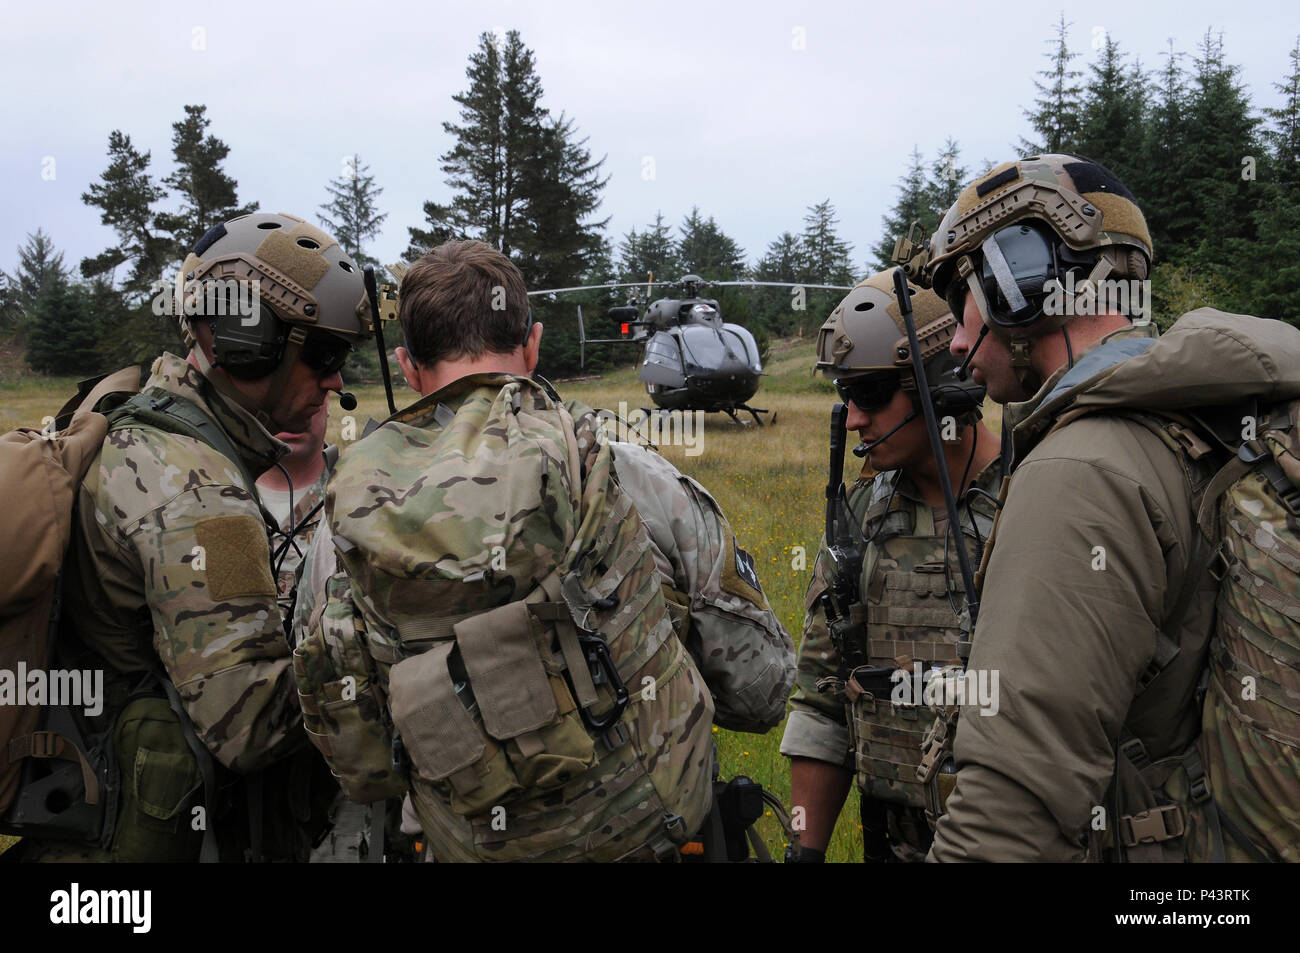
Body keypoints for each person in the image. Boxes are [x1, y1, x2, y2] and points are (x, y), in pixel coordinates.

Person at [294, 239, 795, 862]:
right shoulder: (629, 473)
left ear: (406, 366)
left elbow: (353, 741)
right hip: (659, 838)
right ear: (531, 344)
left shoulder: (342, 519)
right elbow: (760, 690)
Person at [924, 153, 1300, 861]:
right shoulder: (1229, 424)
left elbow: (1010, 815)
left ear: (1020, 278)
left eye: (959, 298)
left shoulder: (1082, 472)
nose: (955, 340)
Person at [20, 211, 369, 862]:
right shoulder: (198, 495)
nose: (336, 380)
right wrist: (379, 652)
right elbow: (251, 723)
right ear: (247, 340)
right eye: (322, 354)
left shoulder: (138, 418)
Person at [780, 270, 1000, 862]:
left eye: (871, 394)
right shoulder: (862, 512)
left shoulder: (1032, 501)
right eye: (845, 395)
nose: (853, 418)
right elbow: (823, 696)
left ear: (944, 385)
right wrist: (805, 852)